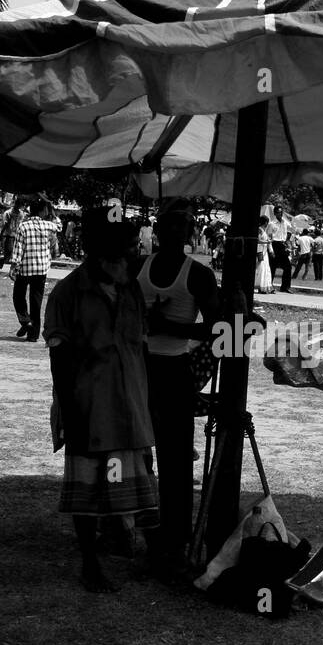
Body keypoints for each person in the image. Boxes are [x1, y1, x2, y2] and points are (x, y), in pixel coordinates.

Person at [44, 213, 157, 592]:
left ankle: (141, 553)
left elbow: (140, 346)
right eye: (126, 250)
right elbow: (59, 358)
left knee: (137, 480)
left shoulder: (131, 290)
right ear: (103, 253)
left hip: (131, 407)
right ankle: (89, 565)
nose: (134, 256)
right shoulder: (67, 293)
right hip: (88, 408)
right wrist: (71, 413)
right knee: (88, 488)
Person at [138, 204, 220, 578]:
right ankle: (136, 527)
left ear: (188, 233)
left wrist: (170, 327)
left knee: (174, 457)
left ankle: (175, 536)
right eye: (166, 226)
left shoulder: (199, 275)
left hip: (173, 371)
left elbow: (221, 330)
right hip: (136, 368)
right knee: (134, 451)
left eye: (180, 228)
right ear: (157, 229)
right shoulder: (136, 265)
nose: (173, 233)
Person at [9, 199, 53, 341]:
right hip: (41, 269)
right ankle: (33, 335)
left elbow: (18, 248)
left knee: (18, 296)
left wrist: (13, 266)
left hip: (25, 268)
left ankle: (25, 321)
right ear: (42, 211)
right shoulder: (49, 226)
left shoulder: (23, 226)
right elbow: (58, 227)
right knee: (36, 301)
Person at [266, 207, 291, 292]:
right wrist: (271, 250)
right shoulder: (271, 224)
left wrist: (287, 245)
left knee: (288, 266)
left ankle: (285, 287)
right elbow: (268, 238)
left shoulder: (285, 223)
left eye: (280, 212)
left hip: (282, 245)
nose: (279, 214)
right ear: (274, 213)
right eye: (277, 212)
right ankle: (270, 286)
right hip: (274, 245)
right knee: (272, 267)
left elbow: (288, 234)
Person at [255, 216, 273, 293]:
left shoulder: (264, 230)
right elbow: (258, 240)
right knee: (261, 268)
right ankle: (259, 286)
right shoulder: (259, 230)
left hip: (264, 252)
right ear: (266, 222)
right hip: (260, 251)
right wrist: (267, 242)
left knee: (265, 268)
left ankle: (263, 287)